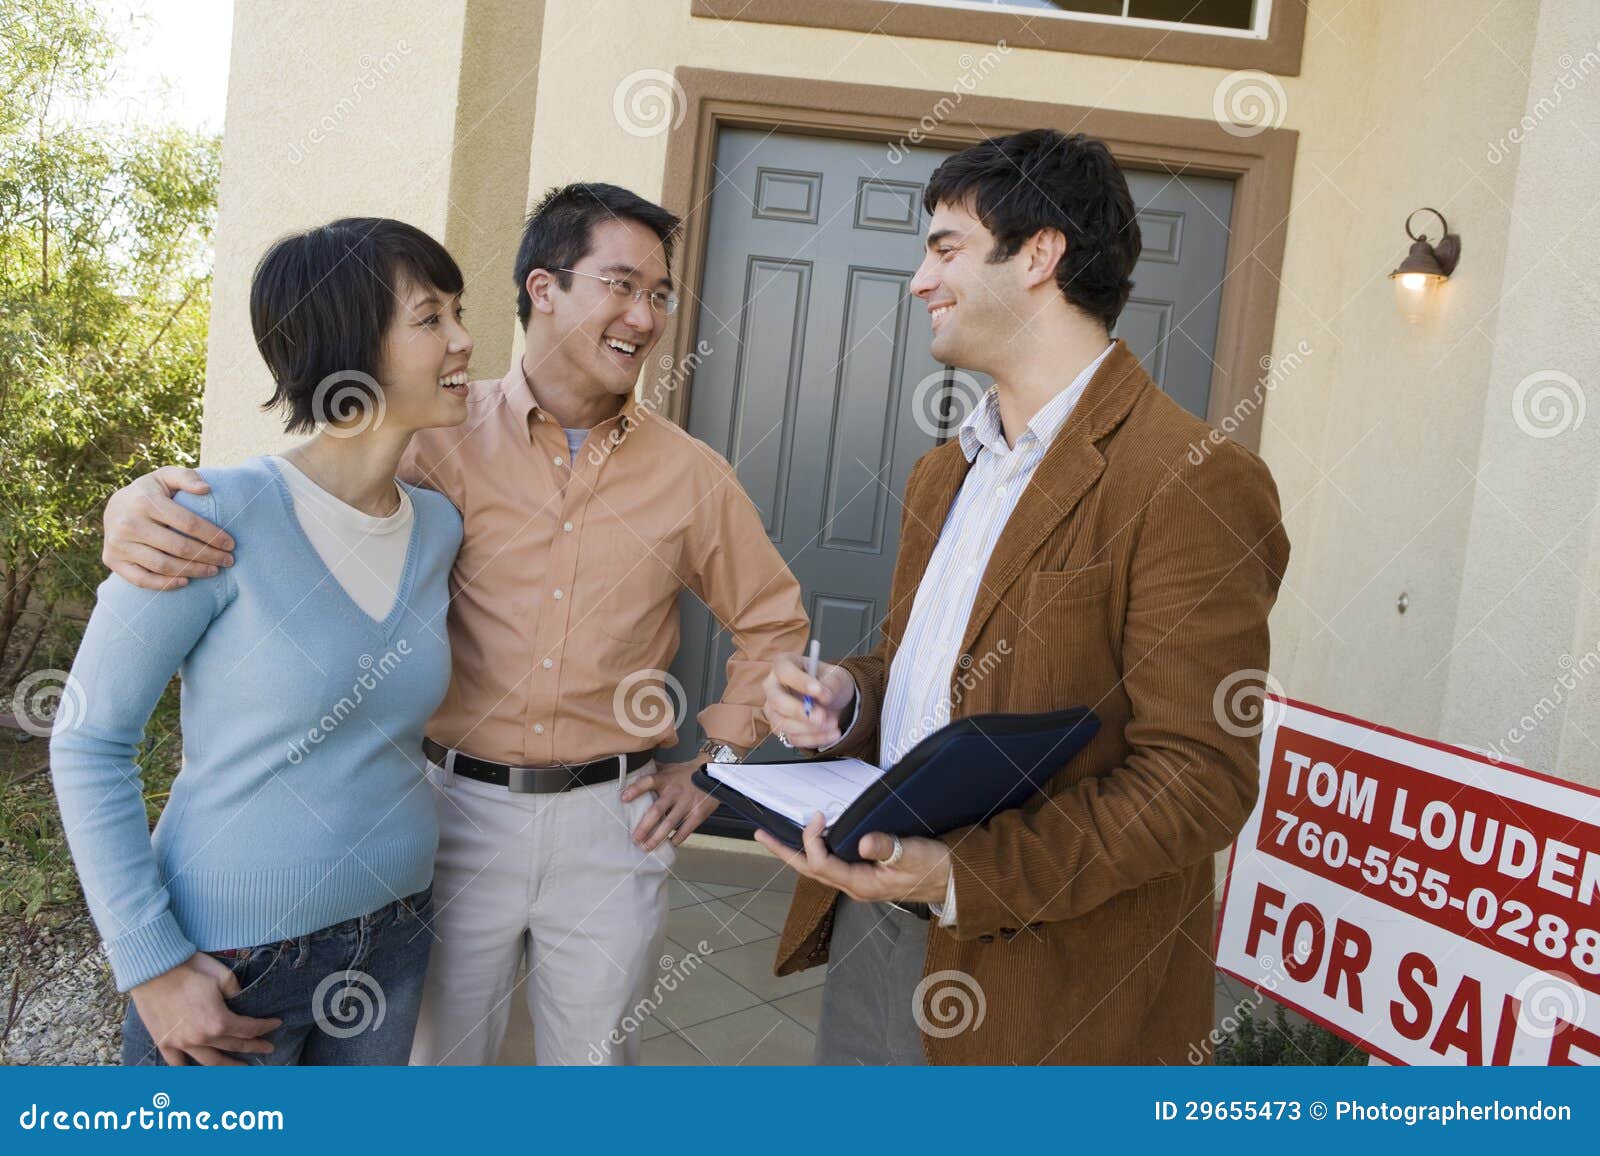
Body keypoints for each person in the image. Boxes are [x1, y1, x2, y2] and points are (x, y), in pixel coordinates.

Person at [96, 183, 810, 1065]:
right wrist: (138, 499)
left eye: (660, 294)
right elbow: (304, 489)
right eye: (622, 285)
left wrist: (717, 768)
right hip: (449, 812)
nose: (647, 315)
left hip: (614, 820)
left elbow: (774, 623)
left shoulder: (694, 475)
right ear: (544, 288)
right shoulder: (430, 430)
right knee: (438, 1066)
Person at [759, 129, 1292, 1064]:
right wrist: (850, 697)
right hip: (871, 925)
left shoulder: (1191, 479)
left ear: (1039, 254)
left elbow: (1198, 782)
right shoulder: (943, 472)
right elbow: (921, 668)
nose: (919, 281)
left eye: (946, 248)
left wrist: (960, 876)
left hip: (1047, 987)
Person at [52, 218, 471, 1064]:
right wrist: (151, 966)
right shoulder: (207, 517)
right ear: (349, 347)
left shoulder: (438, 528)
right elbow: (89, 740)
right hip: (233, 962)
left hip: (393, 934)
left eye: (458, 313)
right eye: (431, 318)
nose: (464, 340)